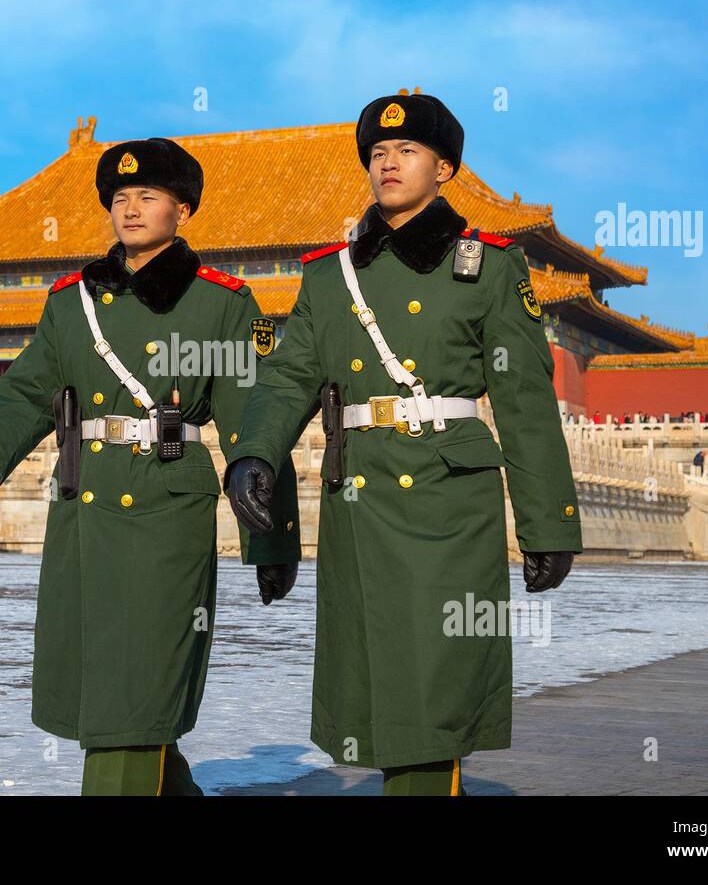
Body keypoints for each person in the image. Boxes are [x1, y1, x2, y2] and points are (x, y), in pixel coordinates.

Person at [226, 91, 581, 796]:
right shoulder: (331, 275)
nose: (388, 164)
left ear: (445, 168)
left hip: (448, 499)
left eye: (407, 152)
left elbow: (524, 402)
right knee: (379, 692)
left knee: (432, 694)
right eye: (378, 154)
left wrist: (549, 523)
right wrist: (254, 454)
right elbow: (291, 371)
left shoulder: (490, 265)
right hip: (359, 501)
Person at [0, 136, 301, 796]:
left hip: (167, 512)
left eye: (148, 196)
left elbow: (258, 416)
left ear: (182, 210)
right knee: (110, 691)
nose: (130, 209)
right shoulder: (69, 304)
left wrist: (273, 536)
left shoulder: (226, 304)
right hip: (85, 513)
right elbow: (26, 390)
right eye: (119, 198)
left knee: (133, 698)